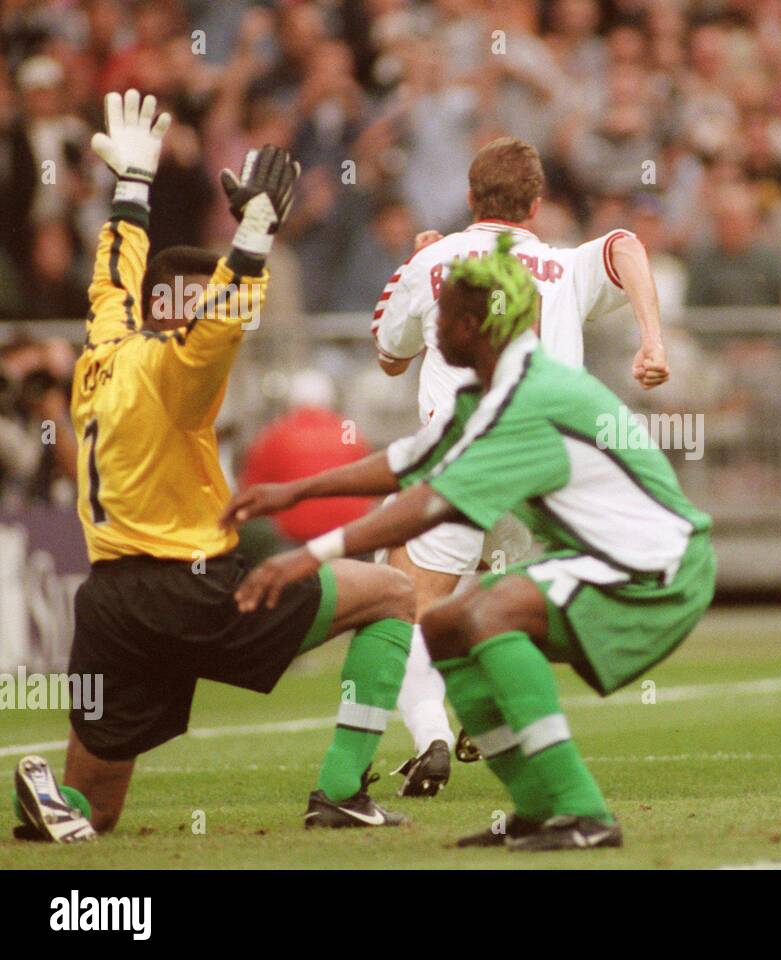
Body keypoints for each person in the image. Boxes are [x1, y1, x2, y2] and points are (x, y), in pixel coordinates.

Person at [13, 90, 416, 844]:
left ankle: (49, 795)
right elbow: (222, 328)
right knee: (393, 591)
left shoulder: (100, 350)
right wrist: (256, 230)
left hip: (110, 604)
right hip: (185, 587)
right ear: (172, 304)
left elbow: (112, 273)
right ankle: (340, 790)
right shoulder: (174, 369)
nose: (209, 306)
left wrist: (132, 185)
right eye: (195, 296)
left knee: (93, 812)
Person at [225, 233, 716, 851]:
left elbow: (429, 501)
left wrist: (309, 553)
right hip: (606, 559)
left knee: (491, 613)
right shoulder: (491, 393)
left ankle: (584, 813)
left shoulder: (522, 400)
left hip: (656, 566)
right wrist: (291, 493)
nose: (435, 328)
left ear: (471, 328)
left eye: (445, 316)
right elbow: (407, 459)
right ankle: (538, 809)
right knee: (449, 623)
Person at [369, 136, 670, 798]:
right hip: (544, 467)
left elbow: (388, 356)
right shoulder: (561, 267)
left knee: (402, 606)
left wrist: (417, 264)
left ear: (471, 199)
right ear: (537, 206)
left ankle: (433, 740)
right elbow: (625, 244)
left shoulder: (434, 260)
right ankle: (498, 705)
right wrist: (651, 339)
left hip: (459, 459)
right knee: (519, 602)